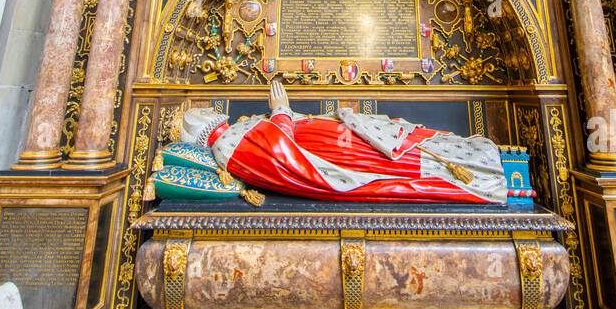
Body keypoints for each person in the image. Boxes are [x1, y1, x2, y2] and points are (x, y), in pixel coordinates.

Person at [151, 80, 508, 205]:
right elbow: (283, 156)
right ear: (202, 124)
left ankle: (480, 160)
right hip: (335, 156)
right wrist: (281, 111)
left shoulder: (233, 134)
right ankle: (483, 173)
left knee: (410, 139)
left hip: (339, 139)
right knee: (404, 160)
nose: (212, 108)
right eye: (206, 110)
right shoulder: (228, 147)